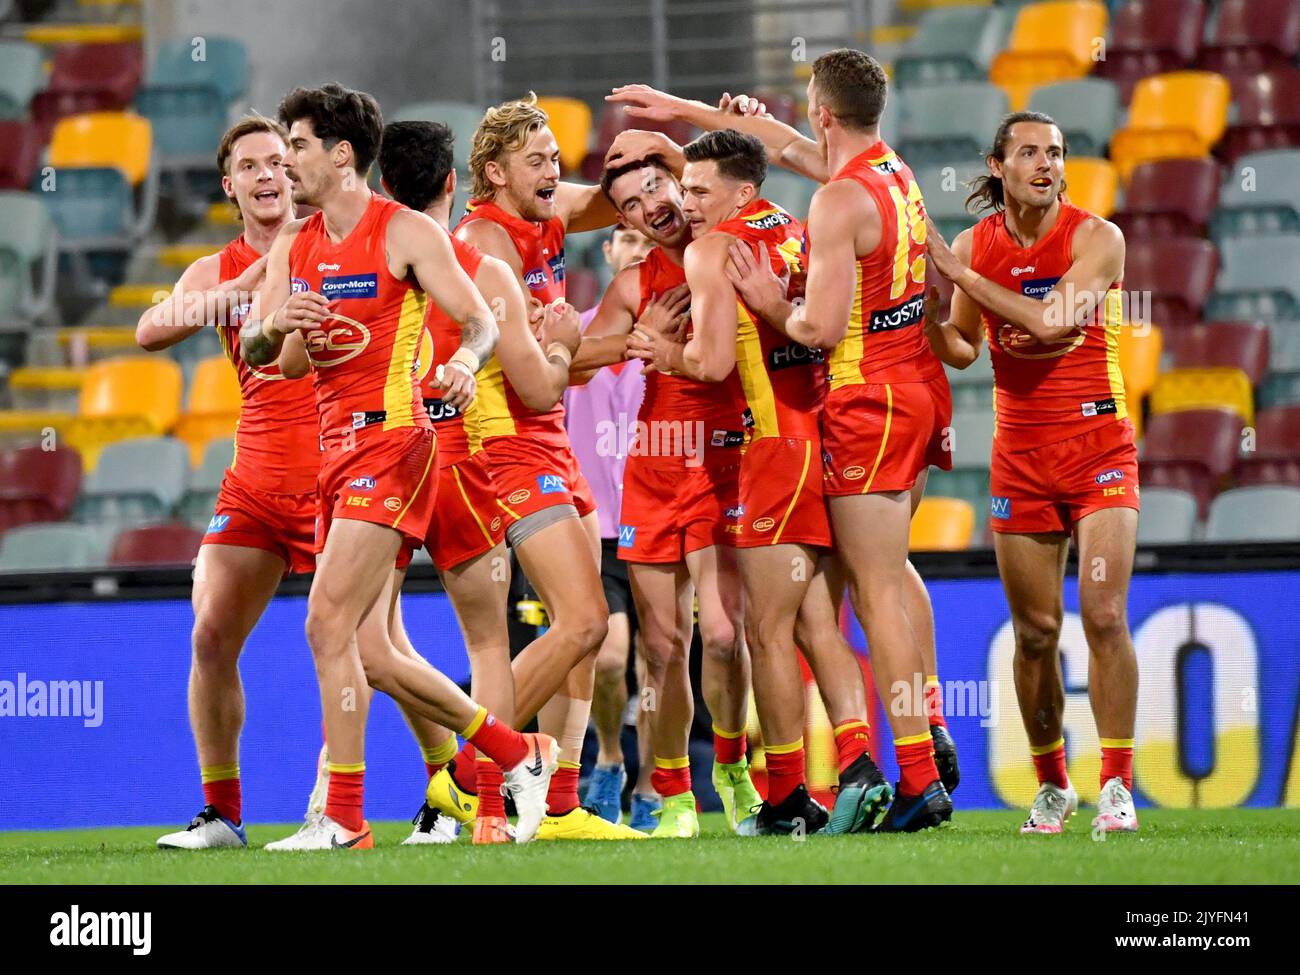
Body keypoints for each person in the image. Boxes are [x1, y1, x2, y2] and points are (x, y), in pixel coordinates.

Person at [611, 57, 960, 831]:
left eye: (696, 191)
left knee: (824, 611)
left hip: (834, 415)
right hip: (900, 396)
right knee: (837, 604)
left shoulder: (819, 206)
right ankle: (895, 748)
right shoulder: (884, 176)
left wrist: (757, 312)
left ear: (824, 113)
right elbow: (778, 149)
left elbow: (810, 331)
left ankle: (871, 778)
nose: (682, 203)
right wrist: (683, 107)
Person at [241, 83, 557, 849]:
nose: (286, 162)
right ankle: (516, 751)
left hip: (395, 443)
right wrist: (280, 325)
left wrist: (464, 362)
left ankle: (345, 818)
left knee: (326, 621)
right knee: (371, 648)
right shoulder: (296, 246)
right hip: (334, 450)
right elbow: (271, 359)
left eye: (300, 146)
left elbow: (481, 321)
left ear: (342, 155)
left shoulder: (405, 230)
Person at [432, 93, 671, 839]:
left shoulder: (547, 212)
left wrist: (652, 145)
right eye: (536, 160)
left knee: (586, 631)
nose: (553, 170)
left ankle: (560, 799)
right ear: (494, 172)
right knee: (583, 620)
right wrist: (569, 343)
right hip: (502, 441)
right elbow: (540, 374)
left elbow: (617, 198)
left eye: (555, 158)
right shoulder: (486, 246)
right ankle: (473, 772)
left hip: (547, 436)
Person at [923, 110, 1139, 835]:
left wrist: (959, 275)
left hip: (1100, 446)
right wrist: (926, 306)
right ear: (998, 167)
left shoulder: (1097, 237)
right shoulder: (972, 246)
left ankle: (1116, 783)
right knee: (1036, 632)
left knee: (1105, 613)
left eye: (1056, 152)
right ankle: (1053, 784)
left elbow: (1053, 322)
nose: (1047, 162)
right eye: (1030, 152)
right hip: (1021, 455)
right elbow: (962, 347)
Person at [374, 119, 582, 844]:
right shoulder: (480, 269)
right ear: (456, 181)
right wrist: (565, 340)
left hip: (383, 465)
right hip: (463, 461)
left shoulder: (362, 267)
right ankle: (483, 796)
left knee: (360, 643)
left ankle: (360, 804)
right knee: (489, 646)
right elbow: (539, 385)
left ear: (380, 185)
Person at [571, 154, 765, 837]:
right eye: (628, 203)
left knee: (720, 633)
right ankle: (674, 791)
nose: (648, 204)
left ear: (679, 184)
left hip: (722, 463)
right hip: (650, 471)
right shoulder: (634, 283)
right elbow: (568, 362)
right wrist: (635, 335)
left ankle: (735, 761)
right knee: (659, 647)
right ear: (621, 221)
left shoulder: (733, 246)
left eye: (655, 185)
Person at [142, 115, 316, 849]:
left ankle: (447, 787)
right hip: (255, 480)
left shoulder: (331, 242)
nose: (268, 173)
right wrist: (245, 282)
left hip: (340, 470)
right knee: (210, 634)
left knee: (368, 649)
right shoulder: (218, 269)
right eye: (250, 166)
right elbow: (152, 330)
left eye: (278, 159)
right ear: (230, 185)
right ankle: (223, 814)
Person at [561, 223, 658, 828]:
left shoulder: (682, 330)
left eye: (649, 235)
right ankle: (609, 760)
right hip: (595, 526)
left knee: (660, 663)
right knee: (608, 656)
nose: (638, 245)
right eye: (626, 234)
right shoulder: (576, 333)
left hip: (659, 522)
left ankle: (650, 787)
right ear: (608, 251)